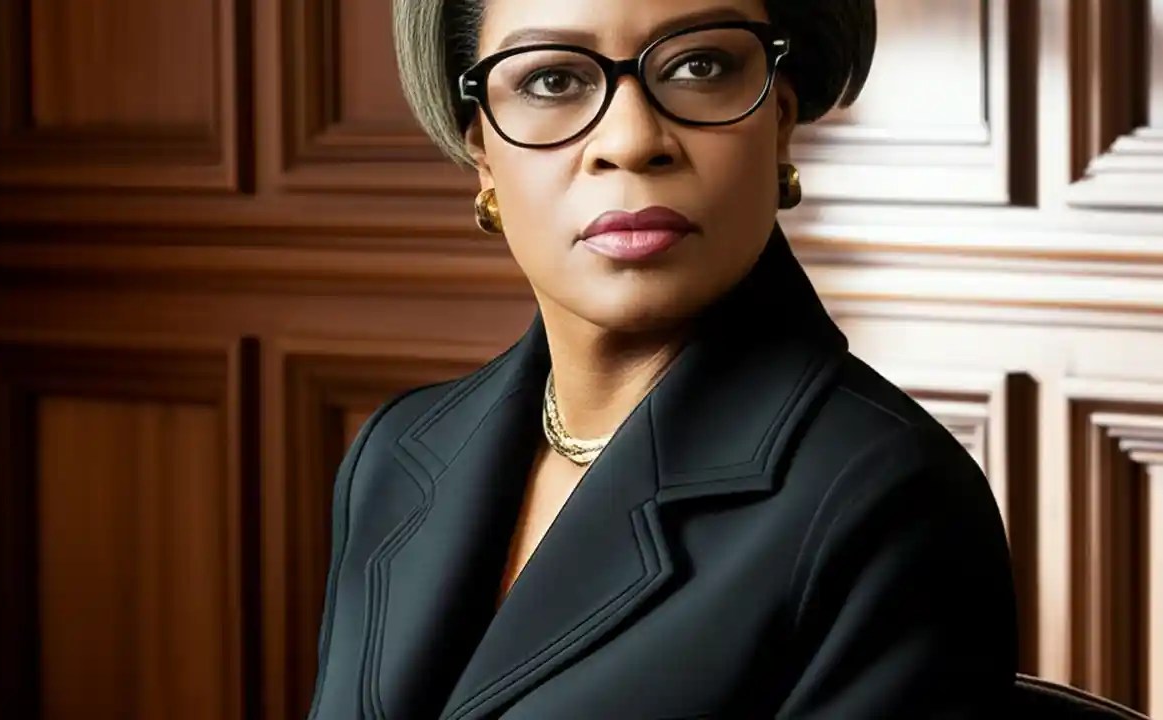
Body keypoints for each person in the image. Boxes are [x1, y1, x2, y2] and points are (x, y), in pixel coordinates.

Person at [307, 0, 1018, 717]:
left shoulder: (892, 504)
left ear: (780, 122)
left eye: (699, 66)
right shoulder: (395, 454)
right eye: (553, 80)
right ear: (482, 151)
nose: (632, 139)